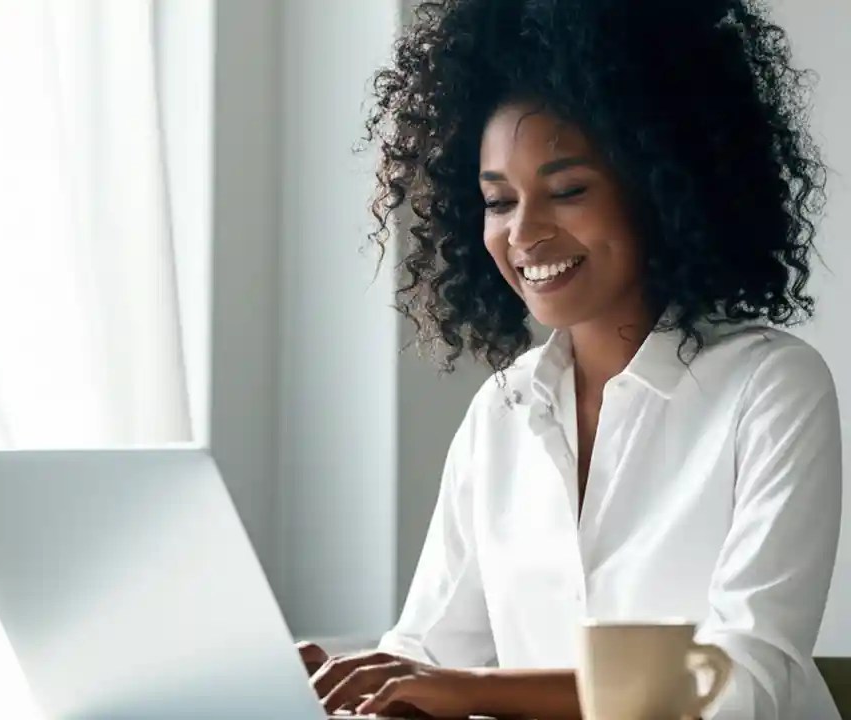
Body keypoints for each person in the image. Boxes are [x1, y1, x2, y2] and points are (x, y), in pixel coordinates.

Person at [301, 0, 842, 717]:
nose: (524, 232)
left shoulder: (770, 387)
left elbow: (744, 686)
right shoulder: (501, 413)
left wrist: (471, 691)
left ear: (662, 187)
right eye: (498, 201)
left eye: (568, 191)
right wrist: (338, 686)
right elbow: (428, 654)